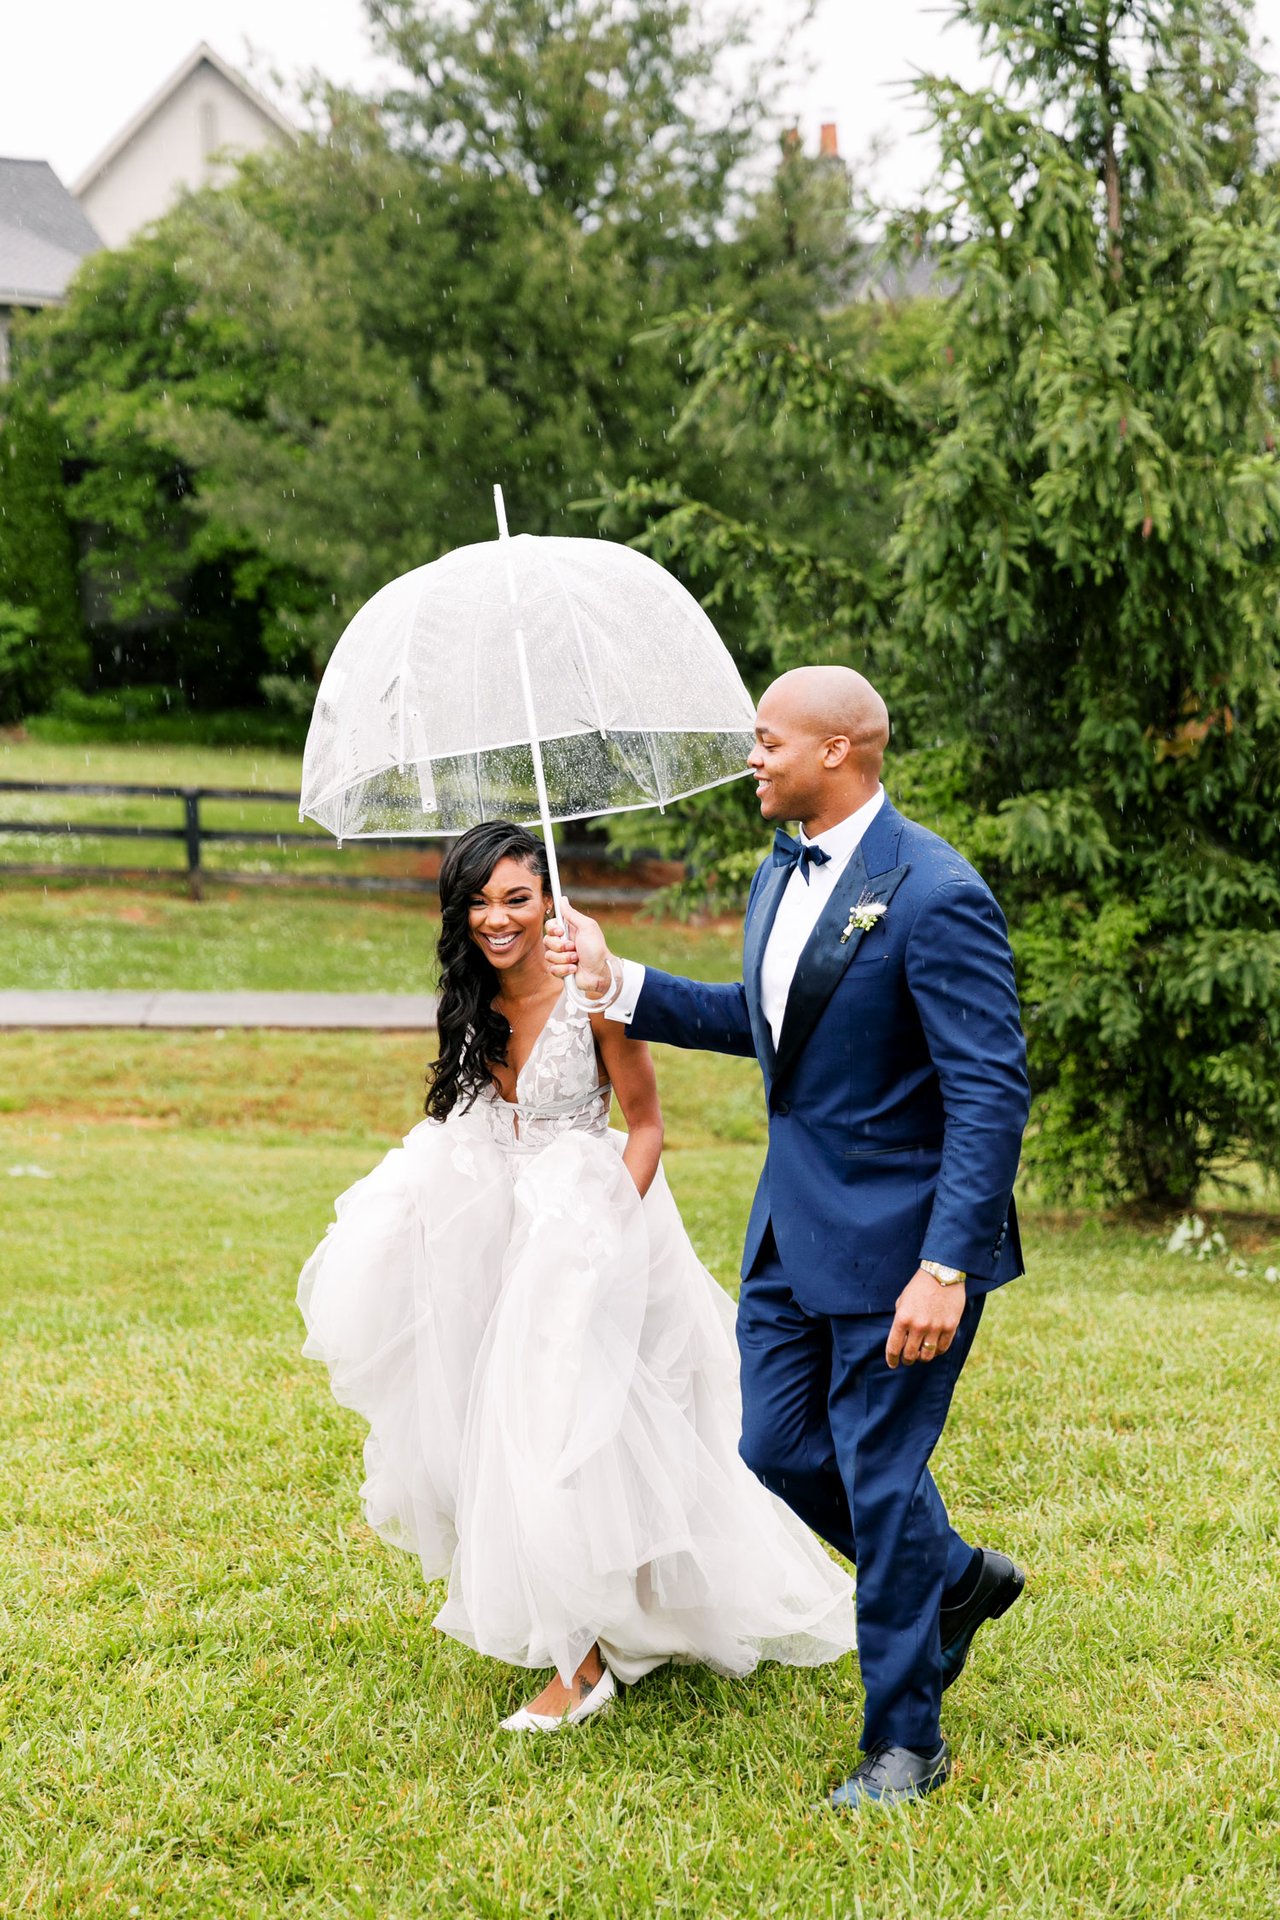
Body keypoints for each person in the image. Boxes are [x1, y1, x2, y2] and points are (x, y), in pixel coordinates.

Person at [547, 665, 1030, 1805]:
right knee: (774, 1449)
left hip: (905, 1252)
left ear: (838, 752)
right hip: (787, 1234)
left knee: (874, 1474)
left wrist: (944, 1266)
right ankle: (952, 1579)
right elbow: (764, 1026)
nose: (750, 759)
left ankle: (903, 1743)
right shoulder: (783, 867)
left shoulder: (933, 894)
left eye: (767, 742)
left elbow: (987, 1093)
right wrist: (621, 985)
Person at [297, 818, 857, 1731]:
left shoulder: (592, 991)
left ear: (550, 900)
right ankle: (601, 1614)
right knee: (490, 1427)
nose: (496, 918)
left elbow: (645, 1127)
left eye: (517, 898)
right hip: (486, 1226)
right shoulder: (471, 995)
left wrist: (605, 1232)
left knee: (553, 1428)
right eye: (478, 901)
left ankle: (581, 1664)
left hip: (587, 1225)